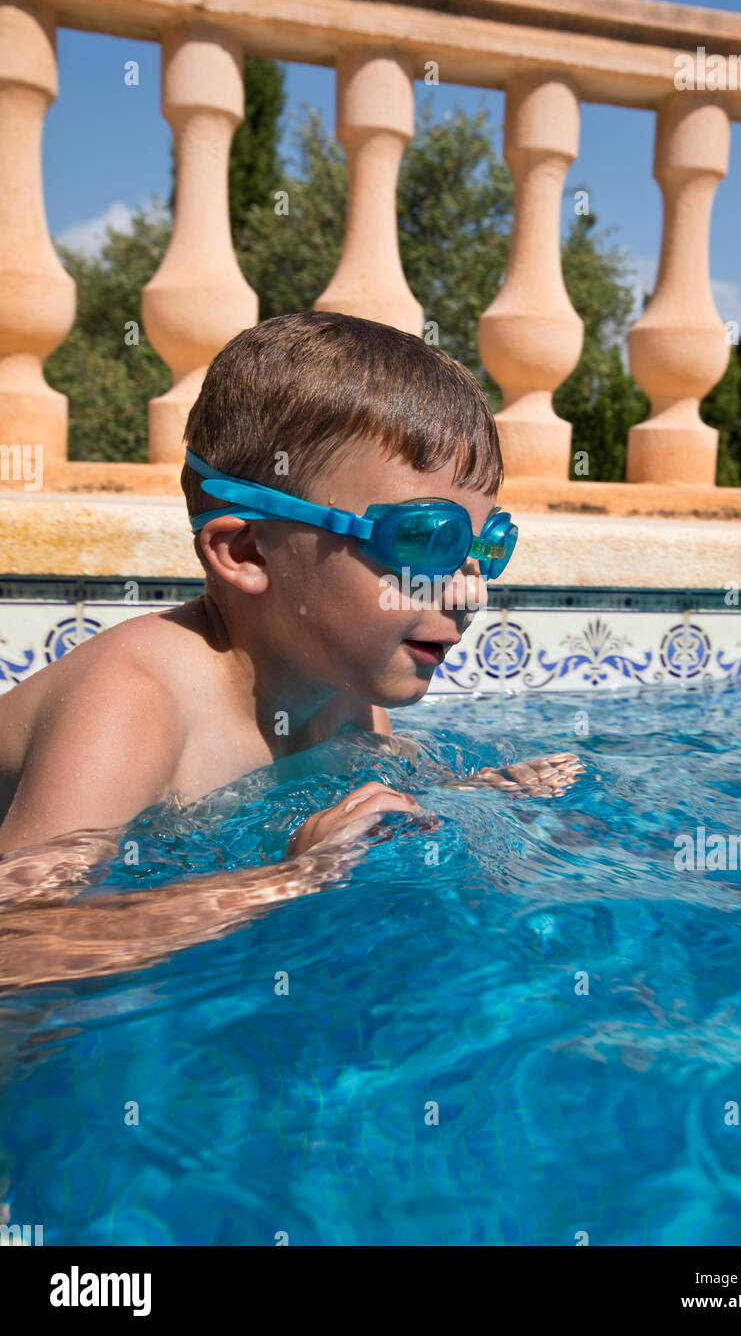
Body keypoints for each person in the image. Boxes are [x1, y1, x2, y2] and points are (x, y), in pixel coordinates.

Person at [0, 312, 581, 988]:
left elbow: (382, 795)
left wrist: (471, 795)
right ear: (247, 552)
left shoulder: (345, 696)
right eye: (426, 540)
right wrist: (281, 882)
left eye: (486, 544)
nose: (468, 591)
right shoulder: (133, 703)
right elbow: (21, 948)